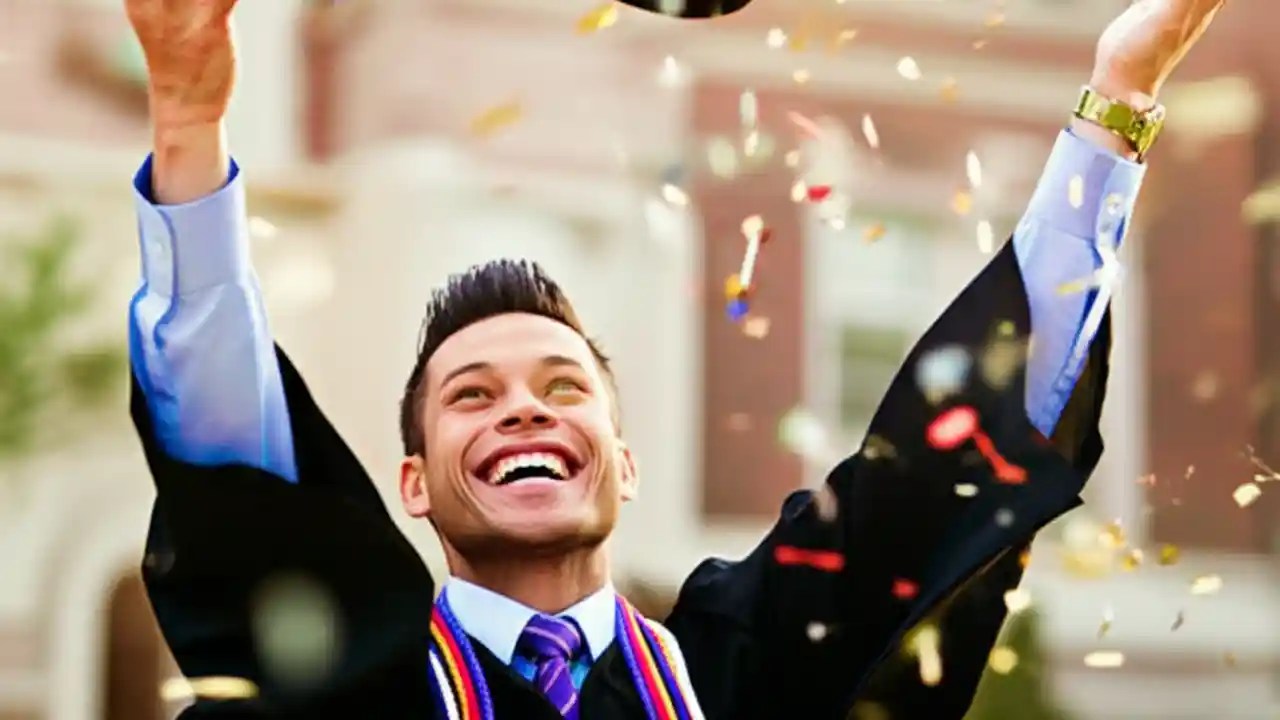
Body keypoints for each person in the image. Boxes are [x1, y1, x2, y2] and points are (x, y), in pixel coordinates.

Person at [124, 0, 1225, 718]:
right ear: (410, 481)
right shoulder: (360, 687)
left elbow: (953, 470)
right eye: (472, 396)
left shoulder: (749, 673)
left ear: (623, 461)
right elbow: (235, 478)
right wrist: (186, 125)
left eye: (563, 389)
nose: (522, 411)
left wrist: (1116, 99)